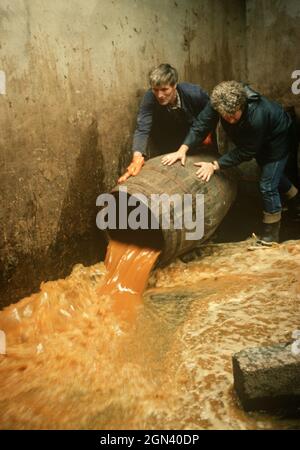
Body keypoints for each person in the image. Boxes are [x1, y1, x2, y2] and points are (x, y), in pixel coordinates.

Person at [162, 80, 300, 243]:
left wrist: (215, 165)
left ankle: (271, 236)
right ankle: (297, 203)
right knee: (270, 172)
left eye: (234, 115)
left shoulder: (258, 115)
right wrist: (182, 149)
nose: (230, 120)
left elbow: (247, 151)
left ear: (242, 105)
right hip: (259, 138)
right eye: (225, 117)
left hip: (279, 137)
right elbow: (201, 125)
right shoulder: (218, 103)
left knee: (267, 184)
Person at [118, 63, 211, 183]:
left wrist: (208, 134)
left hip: (197, 131)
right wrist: (137, 157)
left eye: (164, 89)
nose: (159, 95)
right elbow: (142, 128)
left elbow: (211, 114)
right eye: (155, 90)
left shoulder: (195, 93)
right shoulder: (150, 98)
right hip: (170, 134)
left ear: (175, 85)